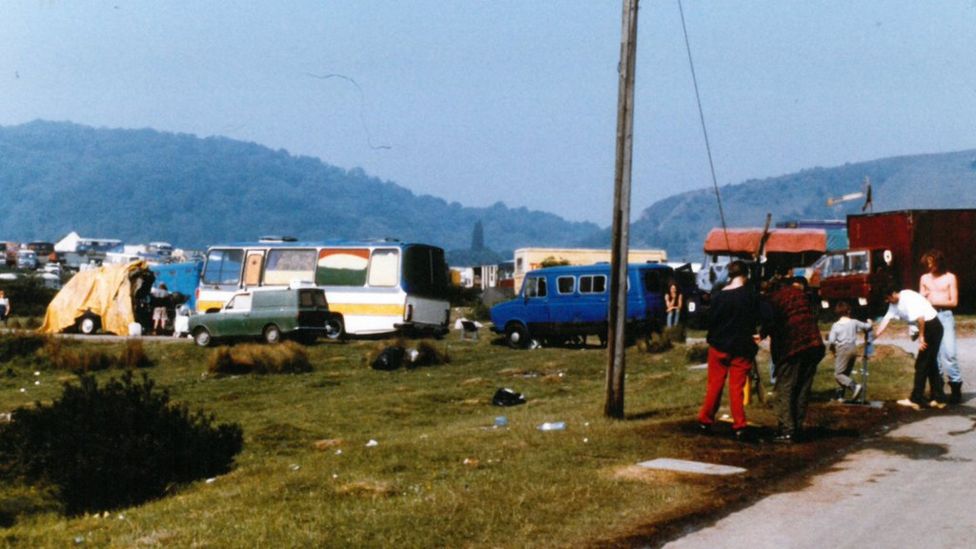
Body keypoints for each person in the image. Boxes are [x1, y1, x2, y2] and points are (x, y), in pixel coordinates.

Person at [697, 260, 759, 441]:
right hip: (741, 346)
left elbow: (710, 321)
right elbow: (757, 318)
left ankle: (705, 419)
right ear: (746, 275)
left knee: (714, 385)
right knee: (736, 388)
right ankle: (739, 425)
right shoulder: (750, 296)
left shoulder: (718, 296)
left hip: (718, 345)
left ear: (729, 275)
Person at [759, 276, 825, 443]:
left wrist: (761, 333)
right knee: (802, 387)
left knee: (785, 387)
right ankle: (797, 427)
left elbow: (770, 322)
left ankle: (787, 430)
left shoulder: (772, 299)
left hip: (792, 346)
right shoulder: (798, 294)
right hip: (814, 344)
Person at [874, 285, 947, 410]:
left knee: (921, 363)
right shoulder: (894, 303)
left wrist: (922, 337)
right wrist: (875, 335)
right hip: (928, 327)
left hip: (932, 327)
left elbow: (921, 318)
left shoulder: (907, 297)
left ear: (893, 294)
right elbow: (886, 319)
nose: (887, 302)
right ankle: (938, 397)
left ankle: (917, 398)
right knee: (930, 363)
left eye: (887, 299)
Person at [919, 250, 963, 404]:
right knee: (934, 355)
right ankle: (937, 389)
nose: (930, 266)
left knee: (949, 353)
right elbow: (920, 300)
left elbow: (953, 302)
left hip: (945, 316)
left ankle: (956, 387)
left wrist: (933, 301)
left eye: (932, 262)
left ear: (939, 262)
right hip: (930, 316)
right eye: (928, 263)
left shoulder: (950, 278)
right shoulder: (924, 278)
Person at [827, 301, 871, 401]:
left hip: (842, 349)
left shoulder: (836, 325)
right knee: (844, 373)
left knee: (838, 374)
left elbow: (831, 341)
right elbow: (867, 327)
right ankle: (840, 396)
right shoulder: (854, 322)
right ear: (849, 311)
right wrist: (869, 323)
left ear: (837, 313)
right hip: (853, 349)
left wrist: (832, 350)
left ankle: (854, 386)